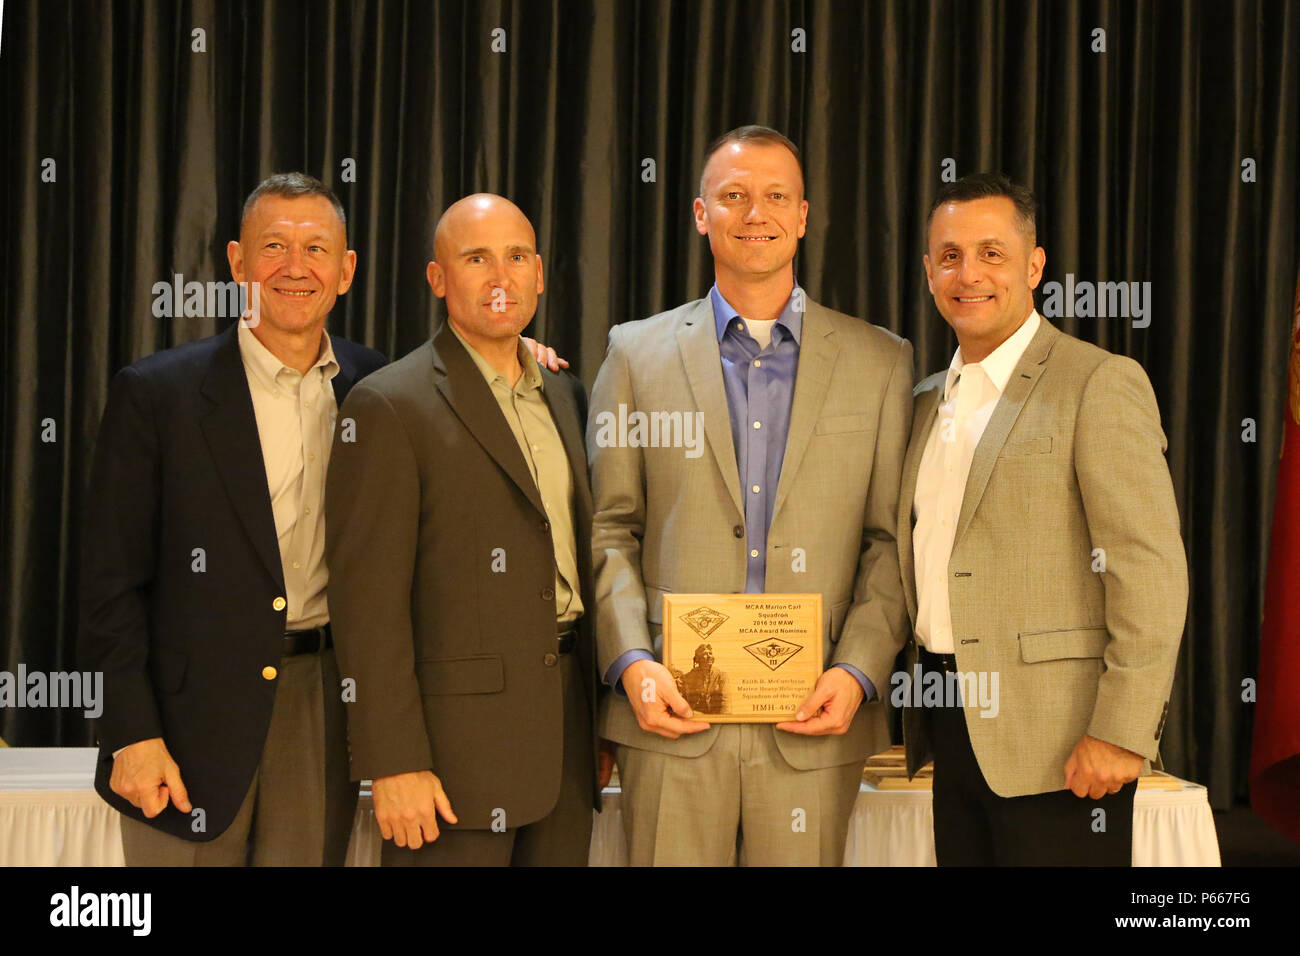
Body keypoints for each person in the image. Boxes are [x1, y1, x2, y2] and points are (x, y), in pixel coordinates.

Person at [588, 125, 913, 865]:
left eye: (774, 197)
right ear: (701, 214)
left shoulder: (880, 361)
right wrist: (633, 662)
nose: (753, 212)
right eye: (733, 196)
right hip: (670, 722)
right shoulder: (634, 355)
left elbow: (890, 542)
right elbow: (611, 530)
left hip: (812, 720)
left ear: (803, 216)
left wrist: (857, 670)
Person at [78, 172, 387, 865]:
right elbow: (108, 588)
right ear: (238, 263)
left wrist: (523, 358)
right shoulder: (156, 394)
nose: (295, 268)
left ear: (346, 271)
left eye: (315, 249)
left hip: (322, 708)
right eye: (273, 247)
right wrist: (129, 733)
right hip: (182, 730)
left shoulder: (378, 386)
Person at [898, 172, 1188, 865]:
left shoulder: (1097, 382)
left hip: (1063, 744)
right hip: (950, 724)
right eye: (949, 255)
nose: (969, 274)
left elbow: (1148, 568)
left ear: (1033, 266)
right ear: (930, 271)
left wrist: (1121, 732)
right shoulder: (923, 400)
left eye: (992, 253)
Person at [325, 193, 604, 866]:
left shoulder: (565, 393)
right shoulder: (391, 403)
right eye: (476, 259)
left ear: (539, 273)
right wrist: (393, 762)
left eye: (515, 258)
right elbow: (368, 605)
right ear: (438, 278)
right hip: (450, 762)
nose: (500, 278)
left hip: (566, 739)